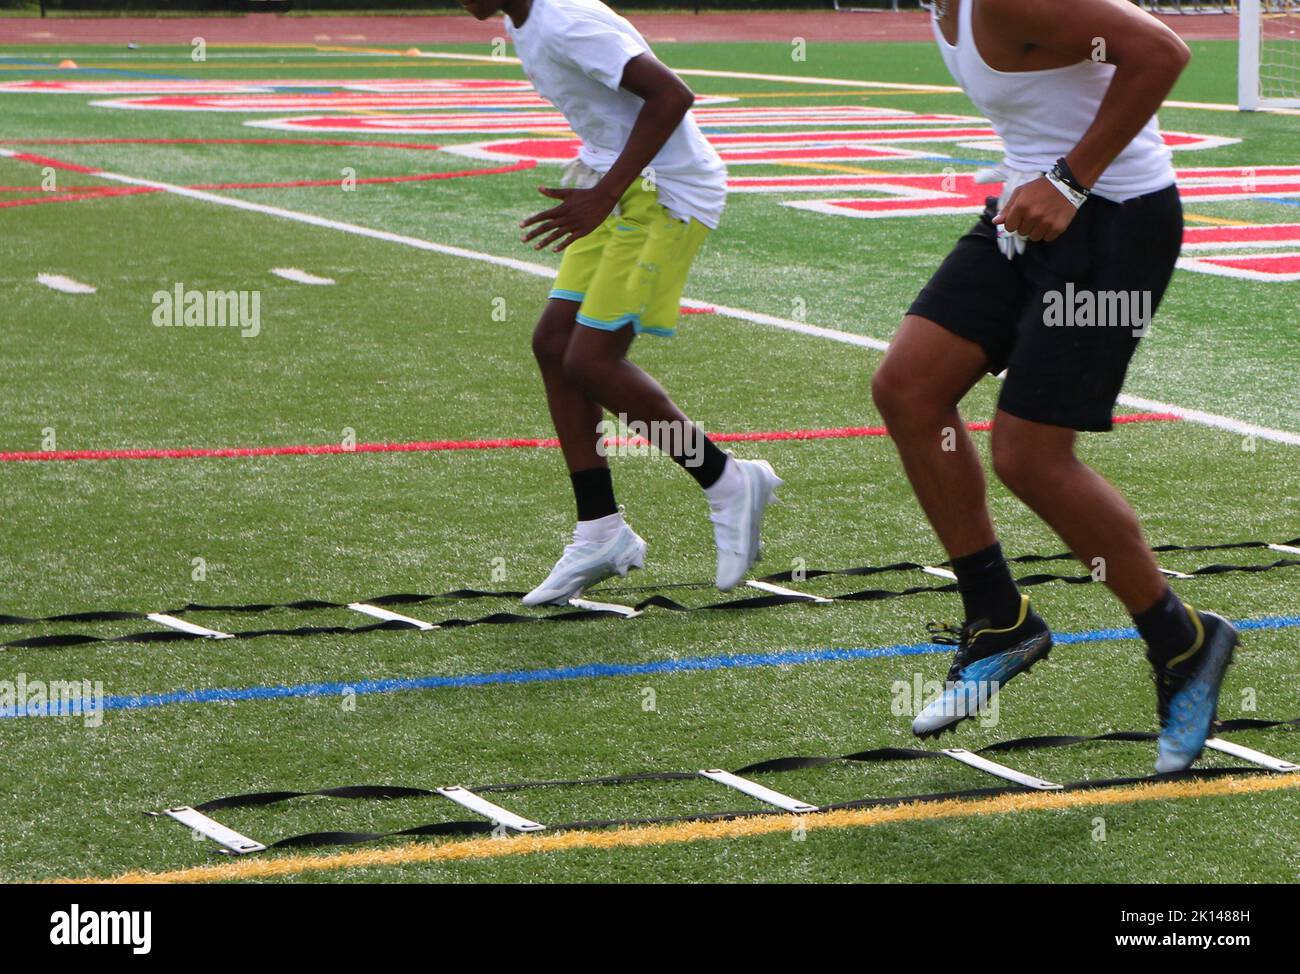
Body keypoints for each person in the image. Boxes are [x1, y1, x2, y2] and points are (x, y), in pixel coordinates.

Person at [870, 0, 1237, 772]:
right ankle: (999, 619)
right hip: (1029, 217)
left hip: (1115, 225)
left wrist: (1070, 179)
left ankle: (1183, 641)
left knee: (1031, 456)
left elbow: (1162, 52)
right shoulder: (943, 10)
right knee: (907, 389)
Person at [456, 0, 781, 607]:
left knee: (592, 361)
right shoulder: (520, 20)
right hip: (615, 187)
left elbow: (671, 95)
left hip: (666, 193)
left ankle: (728, 478)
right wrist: (601, 186)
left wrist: (603, 194)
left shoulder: (563, 22)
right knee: (554, 346)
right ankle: (601, 528)